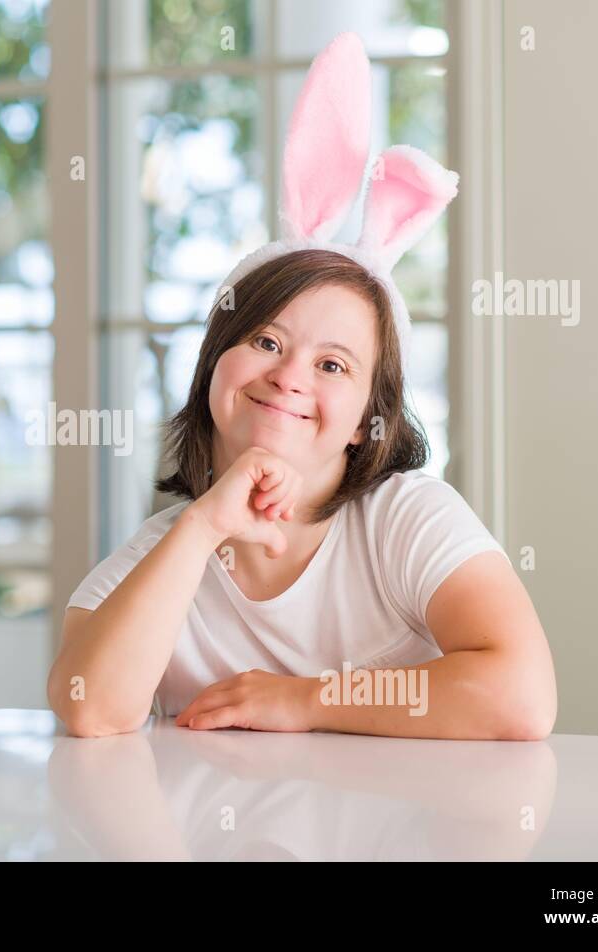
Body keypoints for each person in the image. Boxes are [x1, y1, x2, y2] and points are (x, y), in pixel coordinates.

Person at [46, 32, 556, 740]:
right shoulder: (162, 556)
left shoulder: (405, 519)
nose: (288, 376)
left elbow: (521, 696)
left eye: (332, 365)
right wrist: (202, 527)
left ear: (363, 420)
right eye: (266, 341)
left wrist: (303, 699)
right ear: (214, 365)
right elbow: (89, 708)